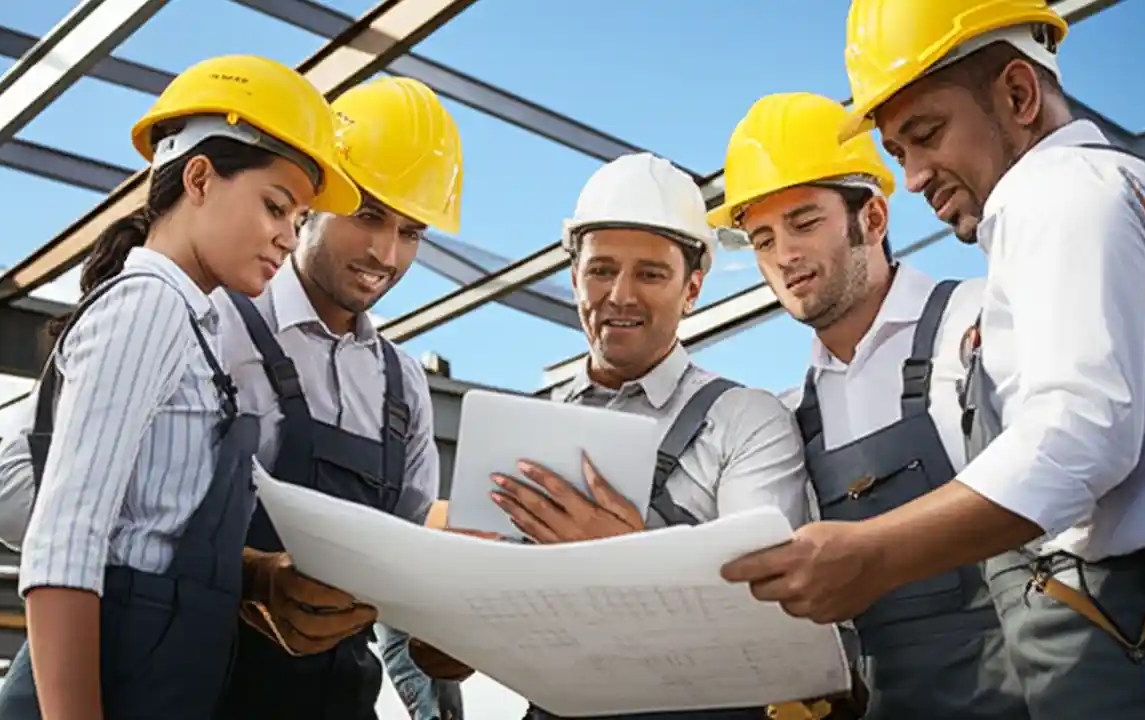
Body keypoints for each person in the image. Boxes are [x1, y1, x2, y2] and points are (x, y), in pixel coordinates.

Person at [720, 2, 1145, 718]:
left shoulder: (1059, 192)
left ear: (1018, 94)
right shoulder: (1086, 198)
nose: (913, 177)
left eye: (926, 135)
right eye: (897, 153)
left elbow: (1078, 437)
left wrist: (874, 554)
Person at [0, 53, 362, 720]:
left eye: (299, 221)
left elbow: (146, 524)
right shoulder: (149, 304)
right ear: (200, 177)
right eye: (276, 206)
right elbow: (64, 541)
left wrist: (248, 574)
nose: (286, 238)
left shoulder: (196, 324)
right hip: (107, 684)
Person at [710, 90, 1027, 719]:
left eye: (804, 223)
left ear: (874, 219)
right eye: (763, 239)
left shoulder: (976, 323)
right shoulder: (795, 414)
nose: (784, 257)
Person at [468, 152, 812, 719]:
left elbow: (765, 622)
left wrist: (622, 559)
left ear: (692, 288)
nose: (621, 295)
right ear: (575, 277)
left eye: (651, 274)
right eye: (601, 270)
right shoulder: (519, 430)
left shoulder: (747, 422)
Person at [212, 75, 467, 720]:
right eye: (369, 215)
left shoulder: (401, 385)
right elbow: (21, 498)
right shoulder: (214, 321)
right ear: (312, 201)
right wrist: (248, 575)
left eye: (411, 232)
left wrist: (447, 644)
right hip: (201, 696)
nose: (386, 253)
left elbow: (401, 581)